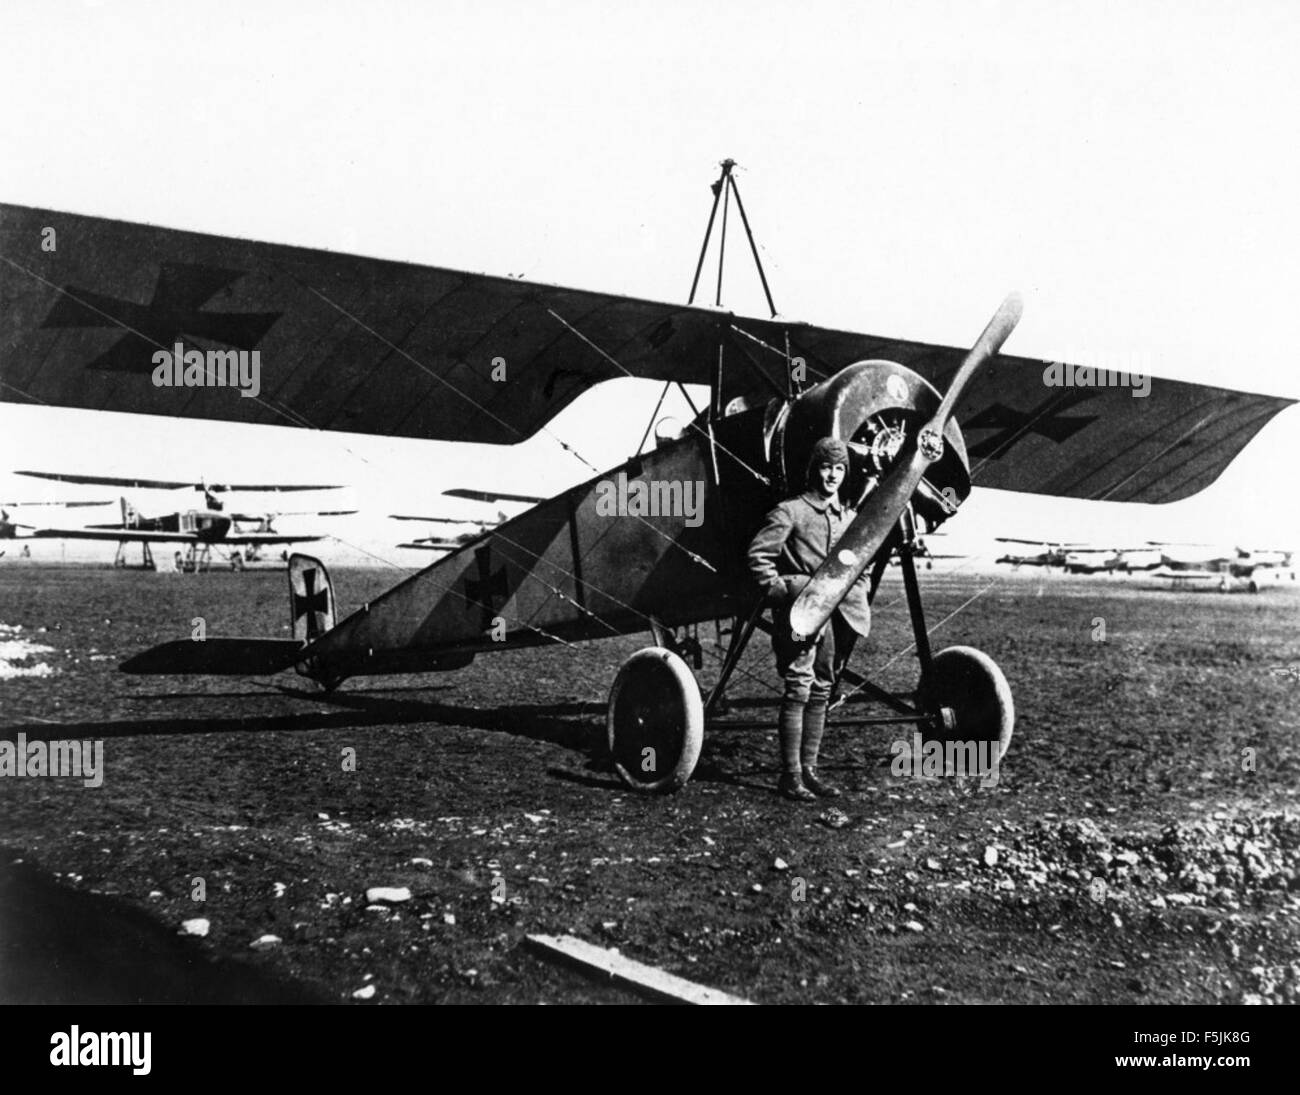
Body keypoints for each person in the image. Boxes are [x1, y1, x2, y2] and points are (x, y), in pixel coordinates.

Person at [747, 436, 872, 801]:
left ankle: (811, 771)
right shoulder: (791, 512)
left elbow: (861, 563)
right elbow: (759, 558)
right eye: (825, 467)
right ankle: (790, 775)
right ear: (813, 469)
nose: (832, 475)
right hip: (800, 616)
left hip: (835, 616)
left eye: (839, 469)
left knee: (822, 688)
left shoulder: (849, 518)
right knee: (799, 685)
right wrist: (786, 590)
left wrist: (857, 593)